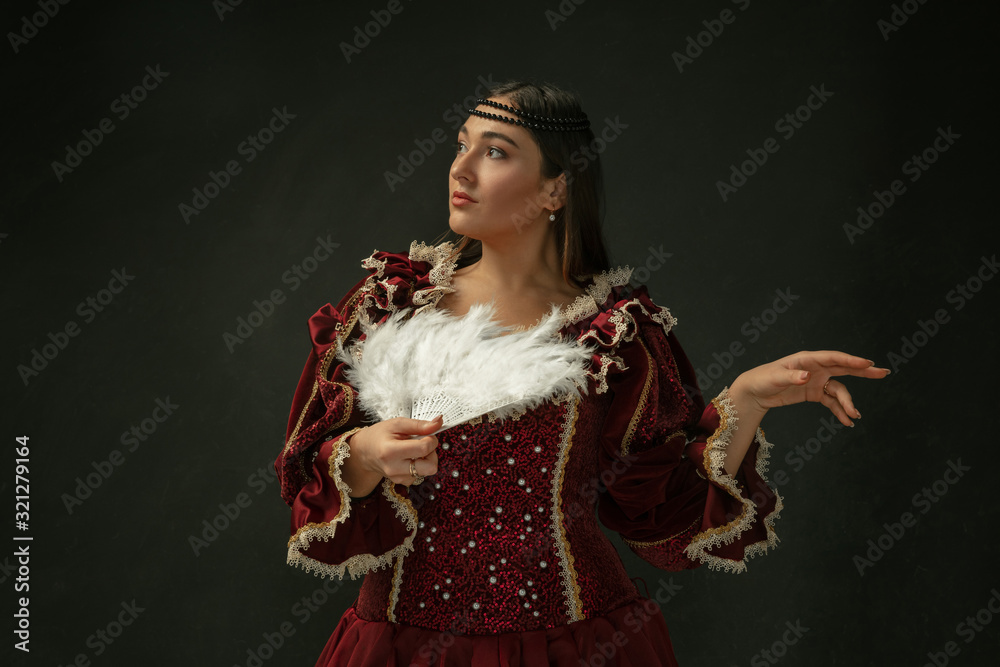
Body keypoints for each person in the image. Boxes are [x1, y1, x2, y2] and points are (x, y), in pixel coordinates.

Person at [274, 81, 889, 666]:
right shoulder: (387, 306)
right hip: (401, 647)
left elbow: (664, 515)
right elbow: (305, 469)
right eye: (460, 145)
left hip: (576, 644)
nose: (461, 168)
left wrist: (747, 402)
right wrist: (360, 454)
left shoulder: (617, 334)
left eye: (494, 152)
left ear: (555, 190)